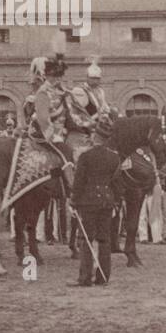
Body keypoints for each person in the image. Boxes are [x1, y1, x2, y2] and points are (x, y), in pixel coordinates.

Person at [70, 112, 120, 287]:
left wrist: (73, 200)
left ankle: (85, 278)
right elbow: (116, 183)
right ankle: (103, 277)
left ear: (95, 137)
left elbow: (79, 181)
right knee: (104, 239)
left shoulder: (85, 156)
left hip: (88, 201)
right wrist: (115, 201)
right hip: (107, 201)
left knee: (86, 239)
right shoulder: (114, 157)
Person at [69, 57, 109, 131]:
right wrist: (85, 124)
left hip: (100, 126)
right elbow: (75, 112)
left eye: (97, 78)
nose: (95, 81)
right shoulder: (80, 90)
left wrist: (105, 115)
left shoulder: (100, 91)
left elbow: (105, 108)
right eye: (93, 78)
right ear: (87, 77)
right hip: (85, 128)